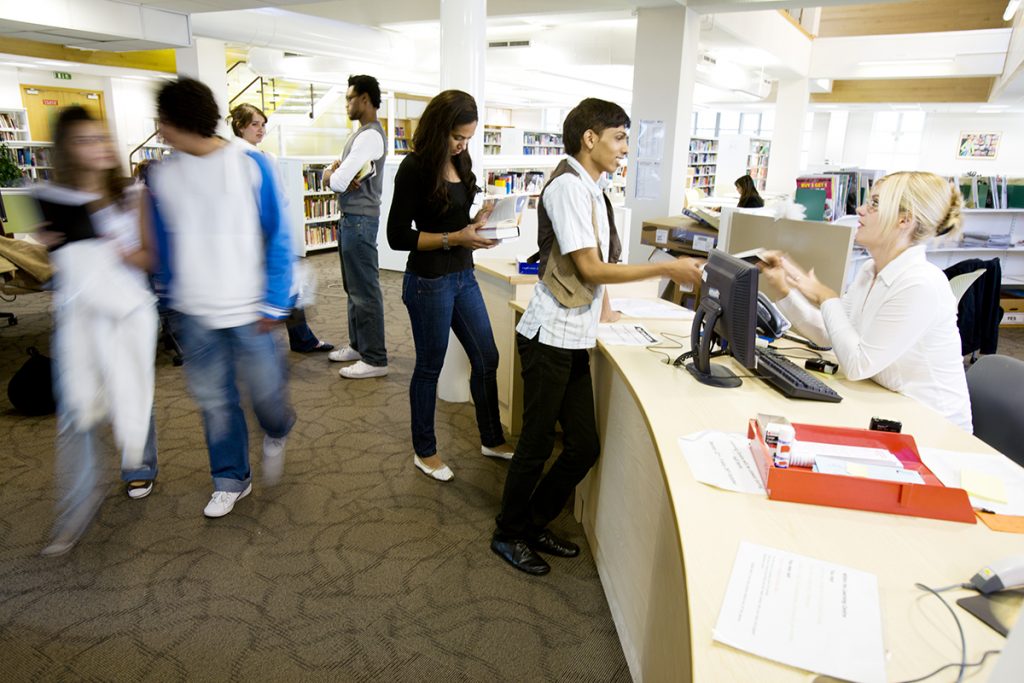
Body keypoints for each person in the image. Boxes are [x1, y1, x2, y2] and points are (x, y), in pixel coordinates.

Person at [491, 98, 703, 576]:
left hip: (574, 334)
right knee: (537, 443)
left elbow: (594, 264)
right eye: (619, 138)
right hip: (550, 335)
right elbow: (588, 266)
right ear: (591, 138)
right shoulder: (568, 187)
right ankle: (508, 531)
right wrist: (667, 266)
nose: (625, 149)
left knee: (583, 445)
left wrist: (606, 309)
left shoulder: (593, 187)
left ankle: (531, 521)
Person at [148, 78, 296, 518]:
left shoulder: (248, 164)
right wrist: (168, 296)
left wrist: (273, 301)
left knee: (267, 398)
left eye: (164, 121)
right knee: (215, 402)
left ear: (182, 121)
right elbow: (163, 243)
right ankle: (231, 478)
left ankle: (278, 427)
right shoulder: (163, 175)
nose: (159, 130)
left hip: (249, 310)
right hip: (194, 312)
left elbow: (278, 237)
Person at [760, 171, 972, 432]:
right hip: (888, 405)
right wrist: (784, 290)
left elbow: (858, 364)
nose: (860, 209)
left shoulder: (921, 284)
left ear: (904, 219)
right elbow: (830, 335)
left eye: (874, 203)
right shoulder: (870, 271)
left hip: (934, 427)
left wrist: (826, 296)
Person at [40, 107, 159, 556]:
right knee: (76, 410)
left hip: (125, 312)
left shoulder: (133, 194)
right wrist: (52, 247)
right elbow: (64, 268)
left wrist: (120, 252)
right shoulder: (56, 197)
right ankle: (74, 508)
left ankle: (138, 465)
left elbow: (150, 258)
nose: (98, 148)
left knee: (131, 395)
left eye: (100, 138)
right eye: (85, 141)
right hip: (79, 315)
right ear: (68, 150)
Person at [386, 89, 514, 482]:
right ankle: (425, 451)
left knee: (486, 356)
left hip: (463, 275)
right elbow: (396, 236)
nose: (462, 145)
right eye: (457, 137)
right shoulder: (414, 169)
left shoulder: (462, 161)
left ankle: (491, 438)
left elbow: (459, 221)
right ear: (440, 128)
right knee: (429, 367)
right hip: (429, 280)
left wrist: (480, 222)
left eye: (468, 139)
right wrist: (454, 238)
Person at [228, 103, 334, 355]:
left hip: (262, 232)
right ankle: (285, 341)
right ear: (240, 126)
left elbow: (281, 197)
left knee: (287, 286)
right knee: (270, 288)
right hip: (250, 236)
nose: (261, 129)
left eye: (263, 125)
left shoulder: (265, 157)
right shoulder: (240, 158)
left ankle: (301, 338)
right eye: (255, 124)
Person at [322, 75, 389, 379]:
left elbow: (335, 180)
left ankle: (375, 358)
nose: (346, 104)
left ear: (364, 99)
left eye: (350, 98)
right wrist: (333, 174)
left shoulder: (369, 137)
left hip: (360, 220)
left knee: (365, 290)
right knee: (354, 288)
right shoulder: (362, 135)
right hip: (352, 219)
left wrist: (332, 175)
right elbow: (334, 174)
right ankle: (359, 345)